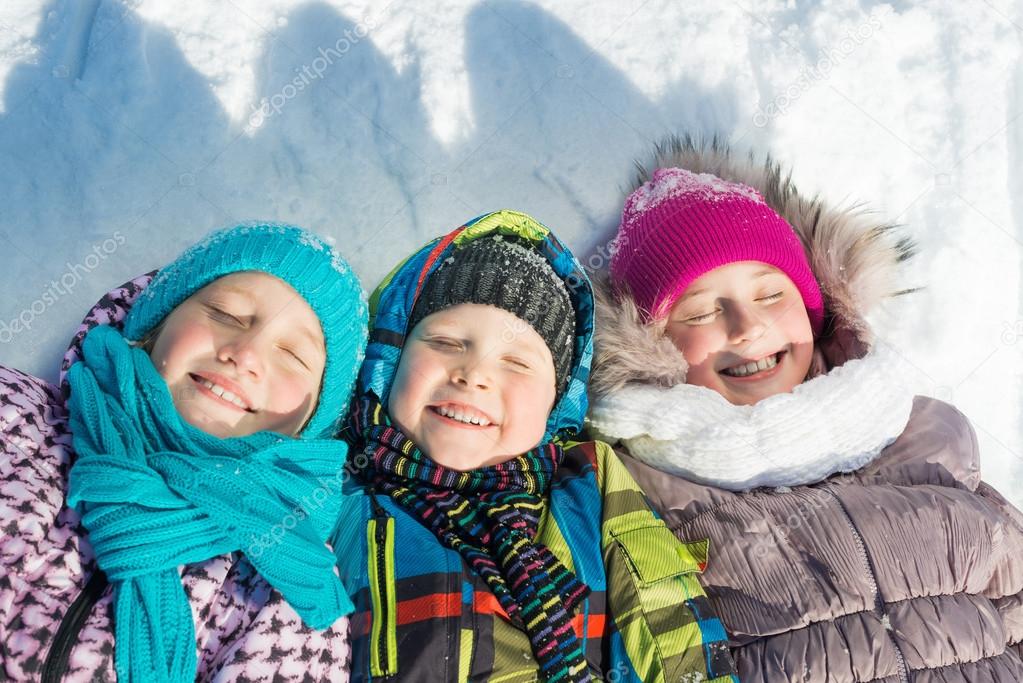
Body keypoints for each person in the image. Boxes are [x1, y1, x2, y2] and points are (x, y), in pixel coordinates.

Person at [587, 135, 1023, 681]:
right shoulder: (641, 494)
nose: (748, 327)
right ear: (653, 349)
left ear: (813, 312)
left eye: (772, 296)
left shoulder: (923, 438)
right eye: (699, 313)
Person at [334, 209, 737, 682]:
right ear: (391, 357)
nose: (475, 375)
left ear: (556, 405)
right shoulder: (334, 487)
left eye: (517, 364)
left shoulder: (588, 485)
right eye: (445, 342)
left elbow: (669, 626)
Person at [1, 223, 368, 682]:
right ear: (154, 326)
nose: (245, 352)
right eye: (226, 314)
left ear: (312, 423)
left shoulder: (285, 595)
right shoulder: (15, 417)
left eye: (293, 354)